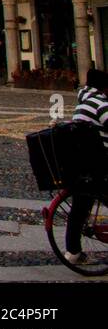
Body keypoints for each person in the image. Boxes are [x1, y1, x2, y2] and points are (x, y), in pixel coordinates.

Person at [66, 68, 108, 264]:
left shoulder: (83, 101)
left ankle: (72, 252)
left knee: (80, 206)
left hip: (80, 164)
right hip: (99, 163)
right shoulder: (100, 103)